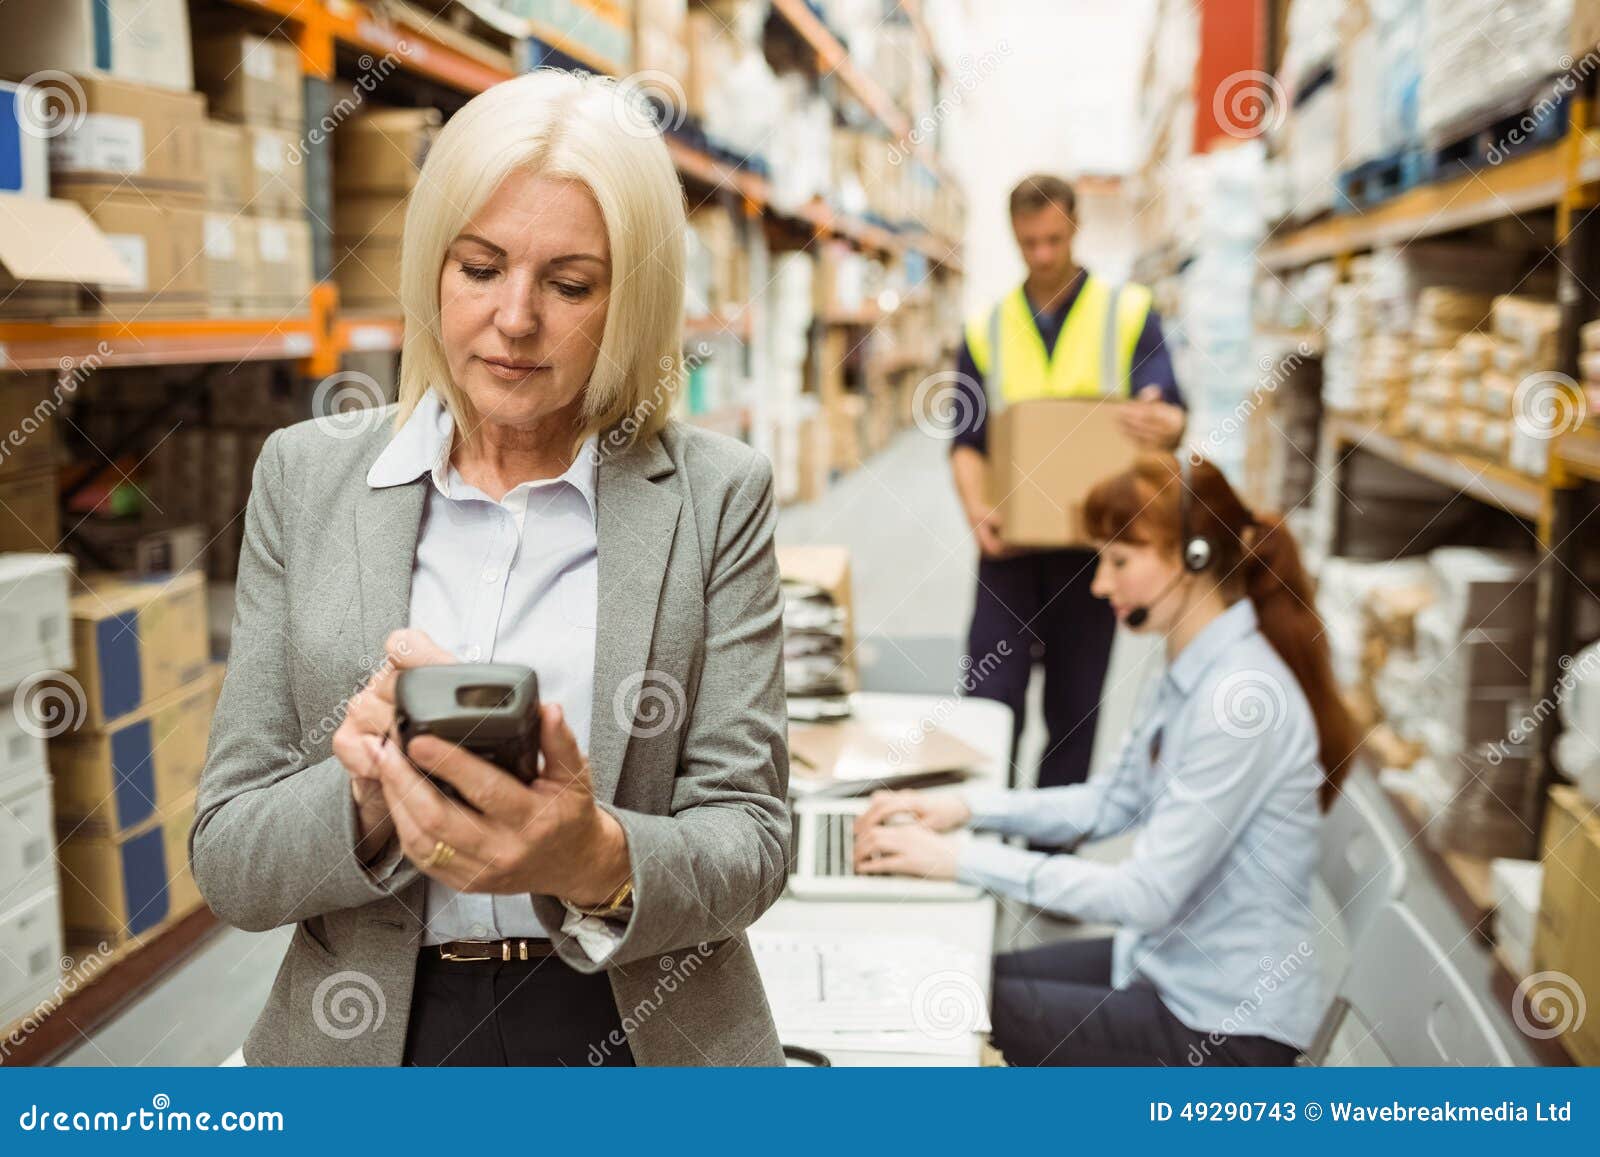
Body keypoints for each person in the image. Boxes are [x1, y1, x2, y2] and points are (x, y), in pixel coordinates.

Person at [191, 70, 790, 1068]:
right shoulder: (305, 479)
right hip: (373, 1029)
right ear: (432, 267)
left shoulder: (715, 496)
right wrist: (371, 797)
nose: (515, 318)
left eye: (568, 284)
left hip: (632, 1022)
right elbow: (230, 857)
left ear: (628, 300)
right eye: (479, 268)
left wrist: (592, 854)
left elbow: (753, 837)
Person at [853, 453, 1360, 1066]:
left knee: (944, 1002)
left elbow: (1146, 896)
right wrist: (963, 808)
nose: (1099, 585)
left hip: (1222, 1031)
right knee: (961, 972)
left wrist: (957, 859)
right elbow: (1111, 801)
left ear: (1194, 559)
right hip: (1161, 965)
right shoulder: (1190, 665)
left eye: (1120, 561)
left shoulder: (1238, 703)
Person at [948, 174, 1187, 793]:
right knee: (988, 704)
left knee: (1074, 715)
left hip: (1094, 559)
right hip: (1010, 553)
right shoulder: (987, 328)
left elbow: (1170, 411)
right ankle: (979, 845)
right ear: (1014, 237)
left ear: (1076, 227)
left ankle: (1051, 870)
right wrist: (978, 513)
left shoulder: (1128, 313)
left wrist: (1165, 419)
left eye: (1054, 239)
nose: (1044, 255)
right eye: (1029, 243)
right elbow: (966, 444)